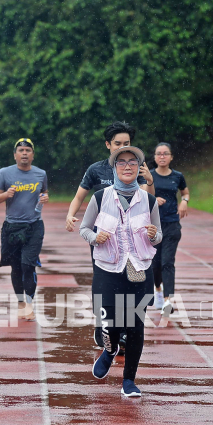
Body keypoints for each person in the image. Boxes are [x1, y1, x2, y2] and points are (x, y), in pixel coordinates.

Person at [79, 146, 162, 397]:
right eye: (122, 163)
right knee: (112, 323)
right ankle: (110, 349)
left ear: (139, 168)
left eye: (133, 162)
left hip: (137, 268)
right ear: (114, 168)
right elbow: (84, 229)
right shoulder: (100, 197)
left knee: (135, 325)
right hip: (108, 268)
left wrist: (153, 234)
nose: (128, 166)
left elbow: (159, 235)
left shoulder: (148, 200)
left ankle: (129, 380)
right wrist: (95, 237)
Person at [64, 121, 154, 350]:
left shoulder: (136, 167)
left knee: (131, 281)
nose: (122, 147)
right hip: (104, 239)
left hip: (132, 240)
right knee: (105, 282)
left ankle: (123, 331)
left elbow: (146, 201)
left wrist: (150, 181)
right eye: (117, 144)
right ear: (107, 145)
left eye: (127, 144)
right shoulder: (96, 170)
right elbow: (79, 196)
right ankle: (102, 323)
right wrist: (70, 215)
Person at [0, 138, 49, 320]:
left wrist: (45, 198)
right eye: (21, 150)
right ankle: (20, 303)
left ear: (33, 155)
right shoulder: (4, 173)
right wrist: (6, 194)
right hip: (12, 227)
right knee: (16, 267)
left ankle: (29, 304)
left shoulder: (41, 174)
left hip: (34, 226)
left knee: (28, 264)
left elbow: (44, 193)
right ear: (15, 155)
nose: (24, 153)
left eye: (28, 150)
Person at [149, 142, 190, 315]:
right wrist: (153, 199)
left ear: (171, 157)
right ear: (155, 157)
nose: (162, 156)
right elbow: (142, 195)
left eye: (166, 154)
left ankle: (167, 300)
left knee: (167, 262)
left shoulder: (177, 176)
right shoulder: (149, 176)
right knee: (155, 264)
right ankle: (158, 289)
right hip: (153, 226)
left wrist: (184, 202)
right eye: (159, 154)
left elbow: (185, 192)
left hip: (172, 224)